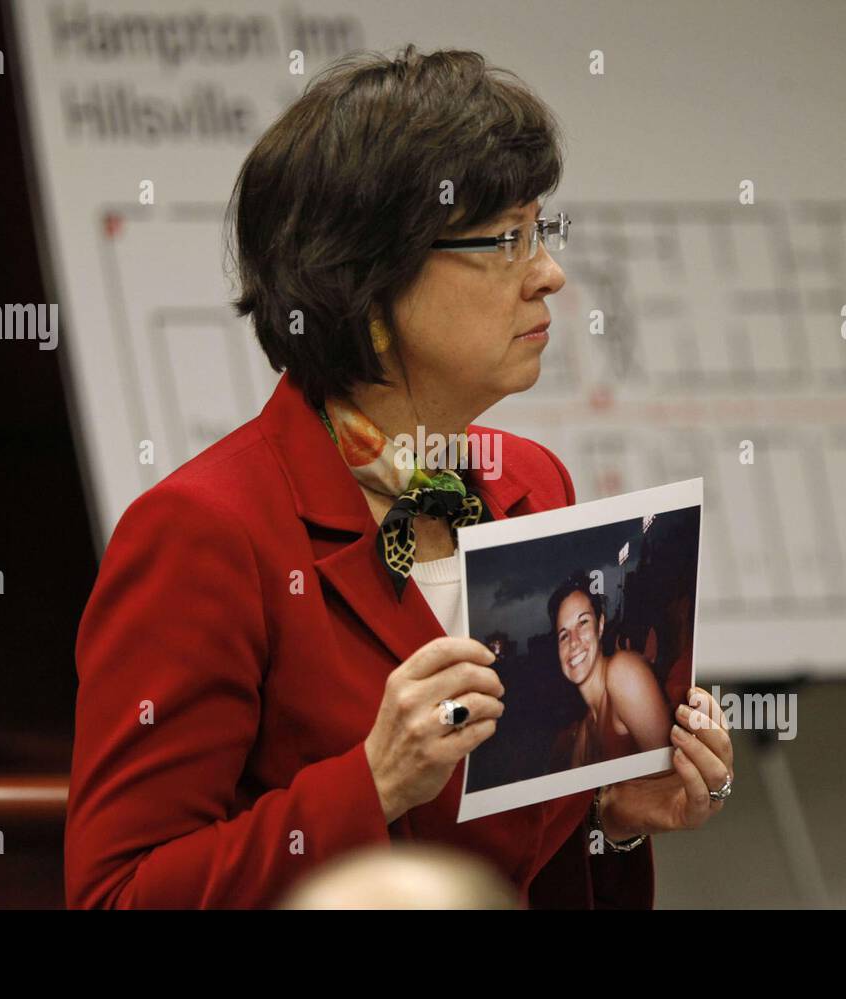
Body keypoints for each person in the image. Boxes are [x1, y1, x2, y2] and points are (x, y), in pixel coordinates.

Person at [63, 44, 735, 910]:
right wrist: (369, 785)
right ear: (372, 284)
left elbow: (517, 860)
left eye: (544, 229)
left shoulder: (532, 483)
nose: (550, 273)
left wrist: (613, 817)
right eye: (507, 240)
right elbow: (115, 896)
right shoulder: (206, 532)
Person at [547, 573, 672, 771]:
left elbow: (676, 780)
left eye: (583, 622)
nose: (573, 641)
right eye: (563, 635)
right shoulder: (584, 735)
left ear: (601, 625)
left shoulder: (622, 672)